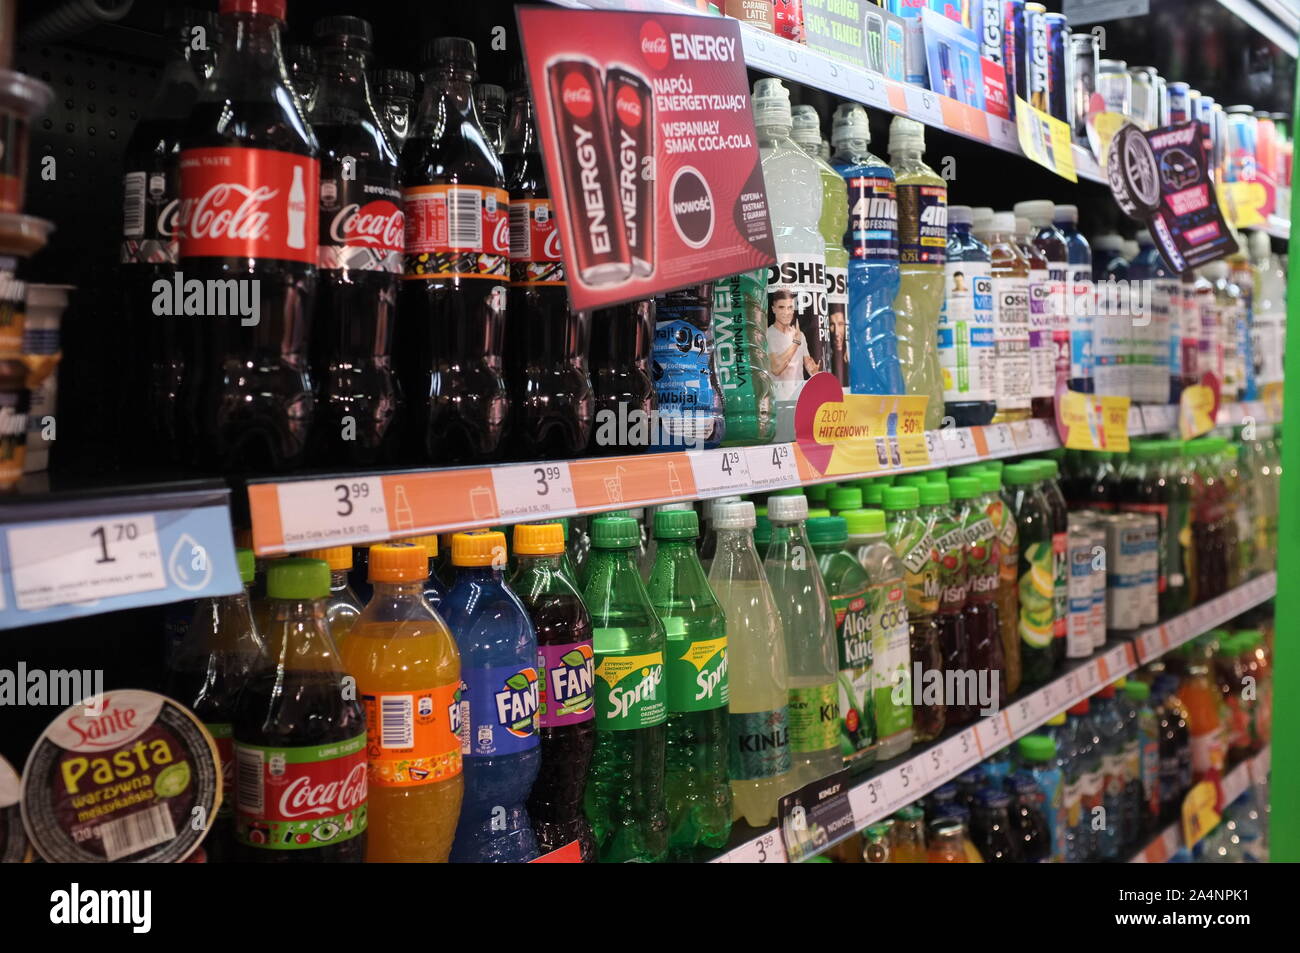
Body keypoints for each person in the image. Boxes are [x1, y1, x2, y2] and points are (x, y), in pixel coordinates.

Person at [767, 290, 819, 399]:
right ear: (773, 309)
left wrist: (813, 371)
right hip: (777, 402)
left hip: (799, 399)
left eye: (790, 307)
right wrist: (795, 344)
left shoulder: (800, 335)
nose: (787, 312)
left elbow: (808, 364)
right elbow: (776, 368)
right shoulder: (768, 335)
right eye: (781, 307)